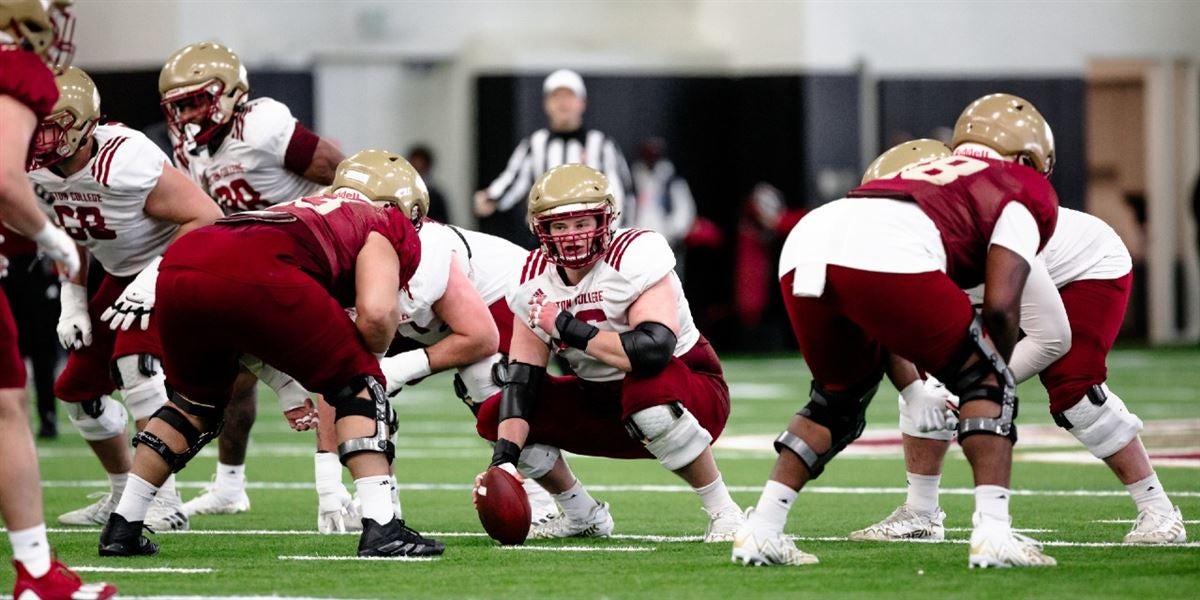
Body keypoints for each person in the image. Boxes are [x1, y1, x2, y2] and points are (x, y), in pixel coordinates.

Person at [732, 94, 1061, 568]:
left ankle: (761, 530)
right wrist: (991, 375)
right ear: (1029, 158)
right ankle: (994, 533)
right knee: (988, 379)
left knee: (836, 400)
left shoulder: (927, 169)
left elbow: (887, 304)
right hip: (882, 243)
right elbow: (1004, 308)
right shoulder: (1020, 186)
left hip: (811, 236)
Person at [98, 150, 443, 559]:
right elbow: (377, 313)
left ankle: (123, 525)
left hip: (182, 264)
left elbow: (254, 321)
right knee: (360, 387)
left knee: (192, 405)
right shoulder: (383, 221)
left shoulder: (301, 206)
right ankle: (383, 527)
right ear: (399, 206)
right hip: (257, 271)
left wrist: (289, 380)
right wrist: (368, 360)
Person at [849, 141, 1187, 545]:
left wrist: (976, 384)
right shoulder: (917, 242)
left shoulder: (992, 229)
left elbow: (1051, 337)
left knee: (1074, 390)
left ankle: (1159, 510)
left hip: (1084, 270)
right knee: (926, 383)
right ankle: (920, 512)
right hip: (1009, 292)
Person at [472, 164, 744, 541]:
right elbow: (523, 384)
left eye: (583, 222)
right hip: (602, 400)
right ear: (541, 229)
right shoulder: (531, 278)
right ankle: (582, 514)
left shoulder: (635, 254)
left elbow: (652, 351)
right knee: (496, 412)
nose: (572, 236)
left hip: (687, 388)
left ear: (607, 218)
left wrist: (566, 326)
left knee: (647, 397)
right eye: (559, 226)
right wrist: (503, 462)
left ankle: (724, 511)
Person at [158, 41, 351, 523]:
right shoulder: (187, 145)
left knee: (335, 367)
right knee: (234, 372)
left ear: (229, 93)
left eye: (196, 100)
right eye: (178, 105)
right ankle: (229, 486)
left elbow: (339, 173)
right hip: (254, 260)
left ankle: (339, 490)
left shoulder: (259, 124)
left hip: (309, 250)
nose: (186, 115)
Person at [28, 65, 224, 533]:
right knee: (77, 393)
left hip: (171, 267)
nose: (36, 138)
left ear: (81, 127)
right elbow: (70, 230)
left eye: (48, 128)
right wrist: (73, 299)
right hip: (114, 275)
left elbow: (207, 217)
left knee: (137, 365)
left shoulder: (127, 158)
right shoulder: (38, 170)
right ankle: (122, 491)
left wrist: (153, 277)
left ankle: (163, 501)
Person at [0, 1, 117, 597]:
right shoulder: (18, 66)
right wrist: (52, 236)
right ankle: (37, 574)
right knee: (5, 409)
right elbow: (2, 176)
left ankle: (37, 571)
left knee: (7, 405)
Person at [474, 69, 631, 248]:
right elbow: (513, 181)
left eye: (569, 96)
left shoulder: (602, 145)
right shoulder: (534, 144)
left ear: (582, 103)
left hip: (593, 241)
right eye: (556, 96)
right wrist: (491, 197)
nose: (563, 103)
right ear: (546, 104)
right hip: (545, 241)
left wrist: (614, 237)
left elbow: (620, 194)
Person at [0, 224, 62, 438]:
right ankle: (15, 416)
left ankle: (47, 416)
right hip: (8, 263)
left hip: (38, 265)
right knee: (10, 348)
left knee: (42, 350)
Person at [627, 137, 695, 278]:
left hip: (666, 240)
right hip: (638, 242)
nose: (651, 158)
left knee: (668, 282)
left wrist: (674, 233)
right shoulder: (632, 178)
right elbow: (627, 206)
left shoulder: (671, 180)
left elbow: (685, 210)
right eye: (647, 154)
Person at [407, 144, 450, 224]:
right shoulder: (402, 193)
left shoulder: (435, 196)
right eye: (414, 164)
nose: (417, 167)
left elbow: (443, 224)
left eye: (420, 165)